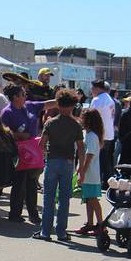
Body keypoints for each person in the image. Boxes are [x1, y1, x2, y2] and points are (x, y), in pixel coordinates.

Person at [0, 84, 57, 224]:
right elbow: (3, 133)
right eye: (23, 94)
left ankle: (33, 215)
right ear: (15, 97)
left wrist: (63, 99)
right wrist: (18, 135)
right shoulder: (7, 112)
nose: (26, 96)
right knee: (19, 184)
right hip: (18, 152)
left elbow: (47, 104)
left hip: (32, 151)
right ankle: (15, 214)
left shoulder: (30, 106)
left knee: (32, 183)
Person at [34, 89, 85, 242]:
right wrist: (81, 168)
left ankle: (45, 231)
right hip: (68, 163)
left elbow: (41, 144)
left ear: (58, 104)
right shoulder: (76, 125)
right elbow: (81, 148)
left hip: (52, 161)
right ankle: (61, 232)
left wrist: (45, 155)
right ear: (73, 105)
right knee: (64, 198)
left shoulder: (50, 123)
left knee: (48, 197)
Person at [76, 109, 104, 236]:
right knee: (88, 199)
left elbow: (89, 155)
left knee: (93, 199)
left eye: (82, 118)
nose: (80, 120)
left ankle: (101, 225)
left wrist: (82, 171)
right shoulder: (87, 134)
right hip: (87, 173)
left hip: (90, 174)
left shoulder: (92, 136)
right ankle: (90, 223)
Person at [89, 80, 116, 189]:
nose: (91, 91)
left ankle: (97, 182)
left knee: (97, 159)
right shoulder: (109, 99)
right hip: (109, 133)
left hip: (99, 133)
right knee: (106, 159)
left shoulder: (97, 100)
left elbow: (91, 116)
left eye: (92, 88)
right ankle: (107, 182)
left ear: (97, 88)